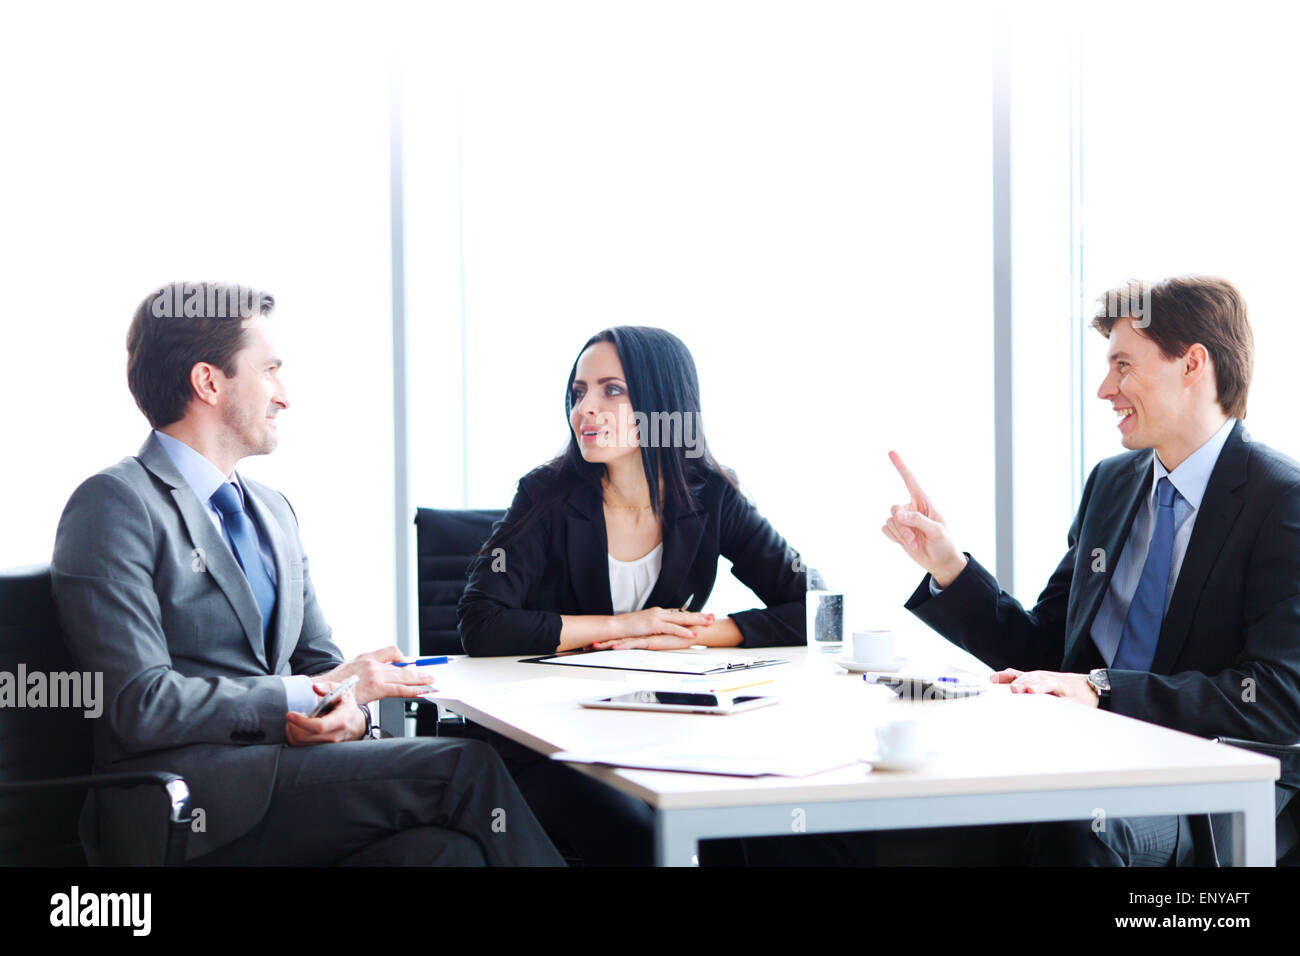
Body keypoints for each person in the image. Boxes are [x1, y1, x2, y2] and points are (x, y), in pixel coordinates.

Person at [51, 281, 562, 866]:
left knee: (445, 855)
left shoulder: (270, 509)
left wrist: (351, 712)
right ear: (208, 382)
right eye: (269, 370)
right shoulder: (116, 504)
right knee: (460, 768)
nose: (283, 395)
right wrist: (318, 692)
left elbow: (323, 662)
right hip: (187, 805)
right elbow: (139, 703)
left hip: (291, 783)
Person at [881, 275, 1300, 865]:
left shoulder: (1281, 500)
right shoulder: (1112, 484)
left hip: (1205, 782)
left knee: (1075, 827)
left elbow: (1278, 698)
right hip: (1088, 751)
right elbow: (1049, 650)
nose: (1106, 389)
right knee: (914, 813)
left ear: (1192, 364)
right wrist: (949, 567)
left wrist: (1102, 691)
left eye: (1123, 365)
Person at [456, 325, 807, 863]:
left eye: (611, 390)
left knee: (742, 826)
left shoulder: (710, 495)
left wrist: (697, 635)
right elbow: (482, 621)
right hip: (552, 738)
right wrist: (625, 626)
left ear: (662, 403)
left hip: (664, 726)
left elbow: (819, 608)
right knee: (643, 841)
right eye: (579, 393)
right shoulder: (547, 494)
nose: (584, 410)